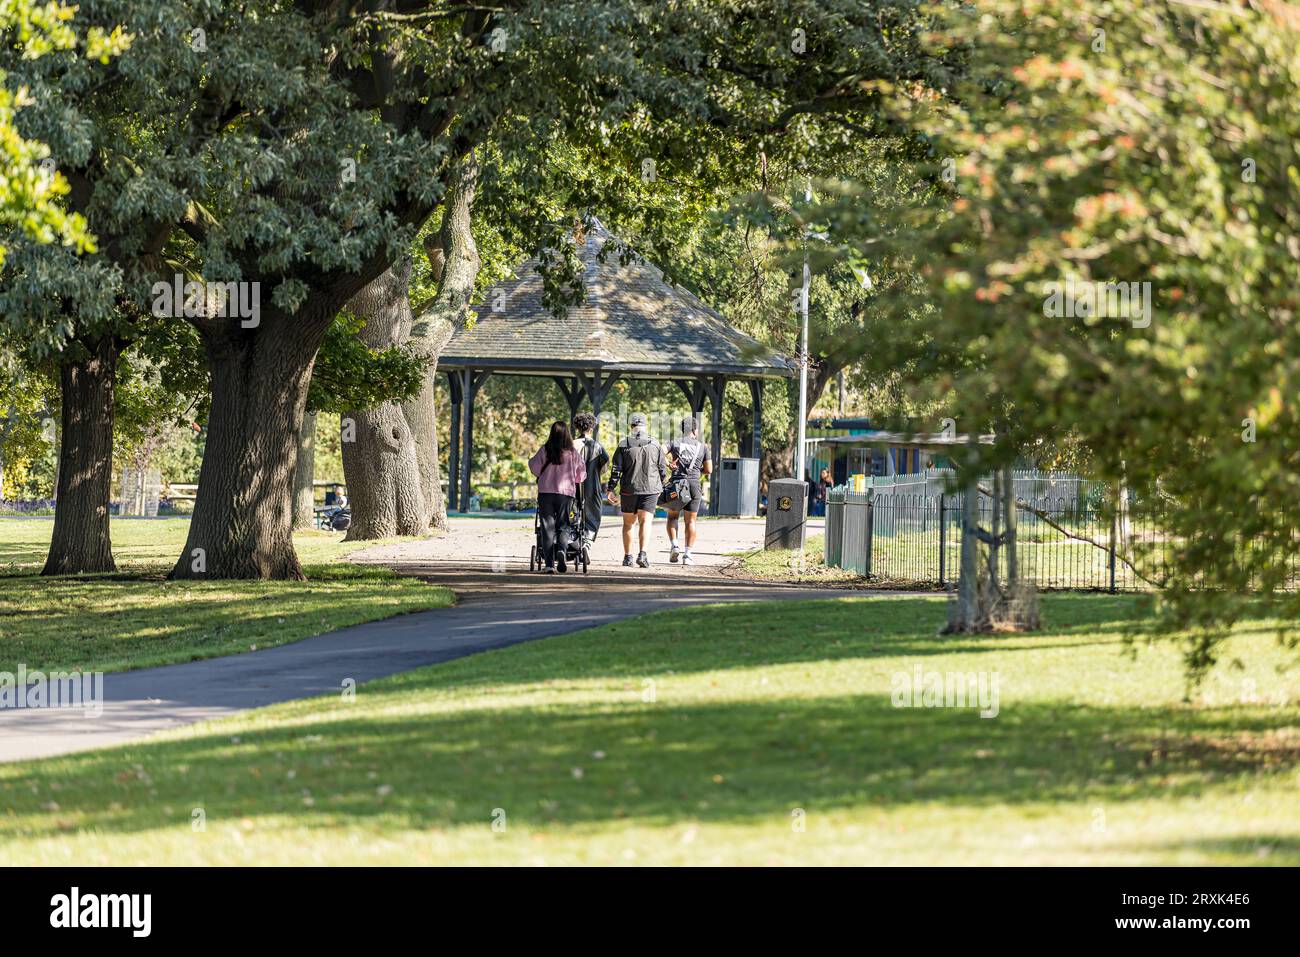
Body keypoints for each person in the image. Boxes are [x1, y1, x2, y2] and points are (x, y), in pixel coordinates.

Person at [605, 411, 667, 568]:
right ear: (645, 427)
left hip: (628, 490)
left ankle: (627, 557)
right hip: (650, 489)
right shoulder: (656, 444)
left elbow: (616, 470)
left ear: (631, 426)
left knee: (628, 523)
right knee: (645, 522)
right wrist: (663, 484)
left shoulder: (623, 445)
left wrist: (610, 488)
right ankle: (643, 554)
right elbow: (662, 469)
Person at [528, 421, 587, 573]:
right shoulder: (573, 453)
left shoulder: (545, 450)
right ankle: (561, 550)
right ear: (567, 433)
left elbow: (534, 468)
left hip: (546, 493)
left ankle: (549, 565)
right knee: (564, 525)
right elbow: (581, 476)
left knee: (547, 528)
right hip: (565, 495)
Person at [664, 416, 712, 565]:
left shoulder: (674, 443)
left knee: (672, 517)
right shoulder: (703, 447)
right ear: (695, 430)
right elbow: (709, 470)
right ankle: (687, 555)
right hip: (693, 485)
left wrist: (668, 464)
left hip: (677, 484)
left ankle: (674, 545)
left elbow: (659, 452)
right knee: (690, 521)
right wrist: (697, 471)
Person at [572, 411, 609, 546]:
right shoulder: (598, 446)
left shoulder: (571, 444)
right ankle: (587, 542)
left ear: (577, 427)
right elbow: (605, 465)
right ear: (591, 428)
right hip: (592, 485)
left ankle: (572, 540)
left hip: (572, 485)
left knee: (572, 513)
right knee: (594, 514)